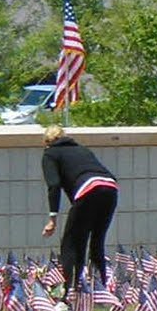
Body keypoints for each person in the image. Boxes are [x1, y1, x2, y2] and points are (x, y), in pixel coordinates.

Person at [40, 125, 118, 301]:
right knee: (97, 241)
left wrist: (52, 218)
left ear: (47, 142)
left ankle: (70, 292)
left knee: (71, 243)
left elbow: (54, 185)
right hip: (110, 187)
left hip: (88, 189)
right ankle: (100, 291)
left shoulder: (50, 153)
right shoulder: (82, 150)